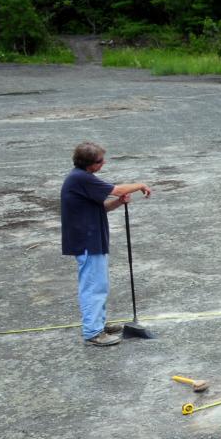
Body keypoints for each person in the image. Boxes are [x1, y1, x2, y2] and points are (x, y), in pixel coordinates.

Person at [60, 142, 152, 346]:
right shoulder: (81, 178)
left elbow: (101, 207)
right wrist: (139, 185)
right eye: (100, 161)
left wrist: (119, 202)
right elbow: (117, 189)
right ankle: (93, 331)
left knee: (98, 284)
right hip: (87, 240)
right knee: (93, 286)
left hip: (92, 239)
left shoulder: (84, 178)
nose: (104, 163)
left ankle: (98, 324)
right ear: (90, 164)